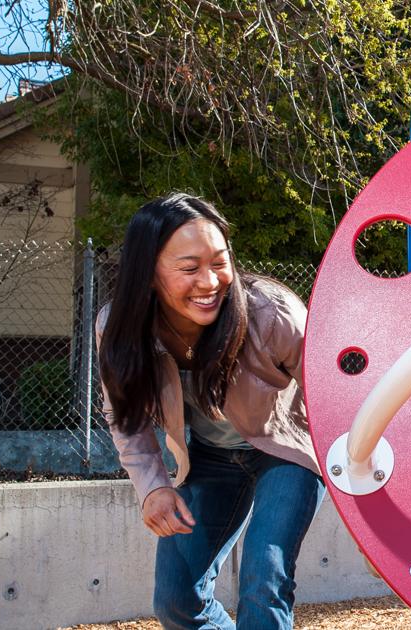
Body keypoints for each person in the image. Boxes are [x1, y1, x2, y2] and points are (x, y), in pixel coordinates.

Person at [96, 193, 324, 629]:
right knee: (177, 601)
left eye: (219, 262)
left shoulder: (268, 312)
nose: (210, 282)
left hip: (284, 450)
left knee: (263, 582)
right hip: (208, 458)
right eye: (189, 268)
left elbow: (334, 388)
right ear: (147, 275)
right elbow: (124, 416)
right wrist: (153, 487)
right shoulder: (119, 329)